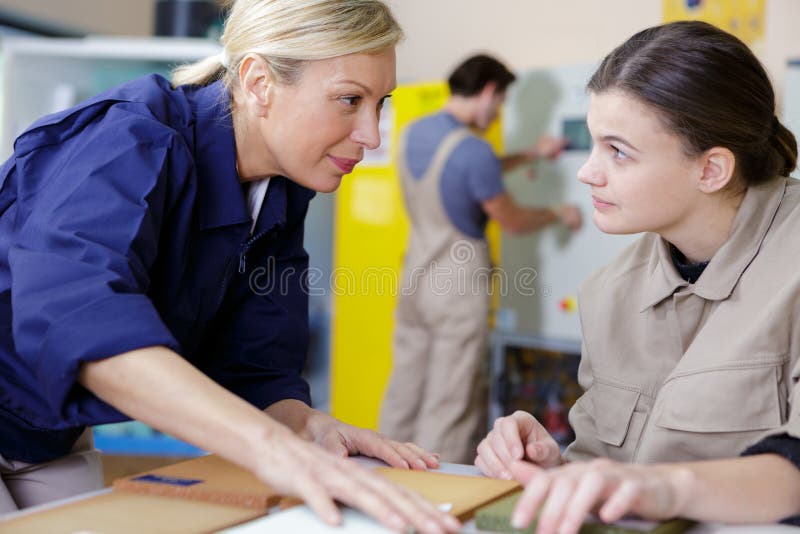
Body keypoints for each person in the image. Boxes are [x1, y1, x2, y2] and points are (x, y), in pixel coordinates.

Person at [0, 1, 461, 532]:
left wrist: (307, 428)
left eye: (378, 104)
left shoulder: (281, 193)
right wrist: (269, 449)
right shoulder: (128, 138)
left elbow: (254, 365)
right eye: (349, 100)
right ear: (259, 82)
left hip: (44, 433)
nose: (371, 135)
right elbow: (79, 319)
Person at [474, 20, 800, 533]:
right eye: (595, 144)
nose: (587, 171)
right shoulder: (611, 291)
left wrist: (668, 489)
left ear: (711, 170)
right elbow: (606, 468)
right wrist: (555, 468)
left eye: (618, 151)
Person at [379, 54, 582, 464]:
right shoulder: (474, 151)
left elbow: (474, 172)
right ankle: (436, 498)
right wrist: (557, 212)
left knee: (405, 388)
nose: (498, 112)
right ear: (489, 91)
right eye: (501, 101)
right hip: (455, 291)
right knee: (449, 402)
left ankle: (386, 474)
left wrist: (529, 156)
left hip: (416, 279)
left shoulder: (415, 131)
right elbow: (513, 221)